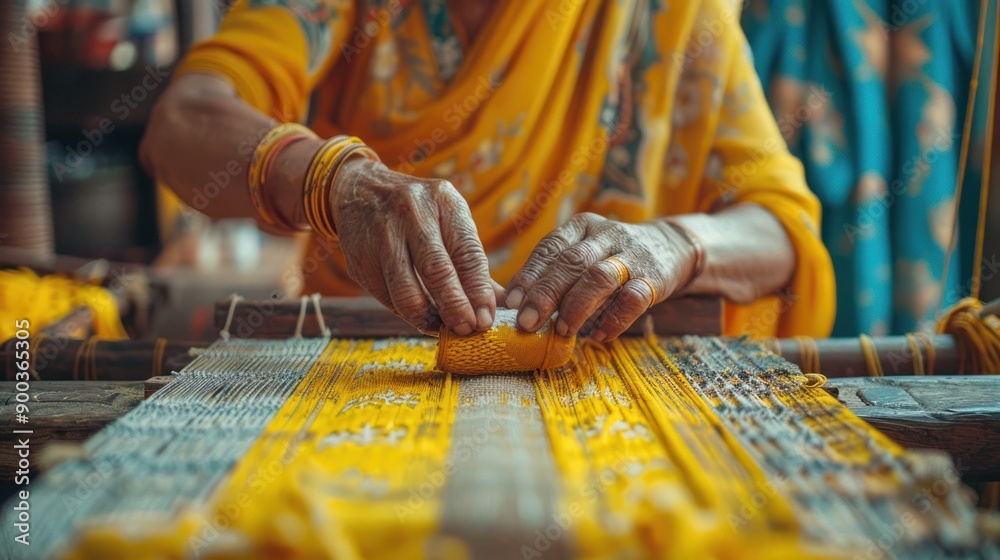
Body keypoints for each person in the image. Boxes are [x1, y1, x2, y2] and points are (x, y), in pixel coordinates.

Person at [141, 0, 835, 340]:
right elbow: (183, 122)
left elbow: (776, 228)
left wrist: (675, 246)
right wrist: (335, 181)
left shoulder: (667, 12)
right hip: (367, 358)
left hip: (605, 383)